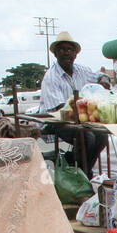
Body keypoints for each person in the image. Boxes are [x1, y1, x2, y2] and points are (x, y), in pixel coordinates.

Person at [38, 31, 109, 177]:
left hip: (80, 119)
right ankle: (82, 173)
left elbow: (98, 75)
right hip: (57, 120)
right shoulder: (51, 77)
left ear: (75, 54)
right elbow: (58, 109)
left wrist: (104, 79)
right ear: (56, 54)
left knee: (102, 136)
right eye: (62, 49)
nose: (66, 53)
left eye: (70, 50)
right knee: (86, 137)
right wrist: (82, 109)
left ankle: (83, 170)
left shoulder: (81, 70)